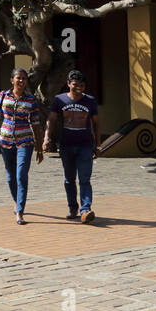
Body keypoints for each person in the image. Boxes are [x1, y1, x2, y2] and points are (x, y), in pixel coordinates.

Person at [0, 68, 44, 225]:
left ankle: (20, 210)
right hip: (5, 140)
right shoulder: (3, 95)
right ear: (12, 80)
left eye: (24, 78)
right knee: (10, 176)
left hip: (25, 141)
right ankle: (16, 200)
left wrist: (39, 148)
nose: (21, 81)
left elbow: (36, 124)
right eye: (18, 78)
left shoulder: (31, 100)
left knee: (21, 175)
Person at [45, 70, 100, 223]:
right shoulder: (59, 100)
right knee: (69, 179)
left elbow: (96, 123)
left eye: (82, 85)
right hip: (66, 145)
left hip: (85, 146)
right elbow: (51, 120)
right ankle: (73, 208)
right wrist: (46, 138)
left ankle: (85, 210)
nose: (79, 88)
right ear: (68, 84)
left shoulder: (90, 101)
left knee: (84, 179)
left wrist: (98, 145)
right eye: (75, 84)